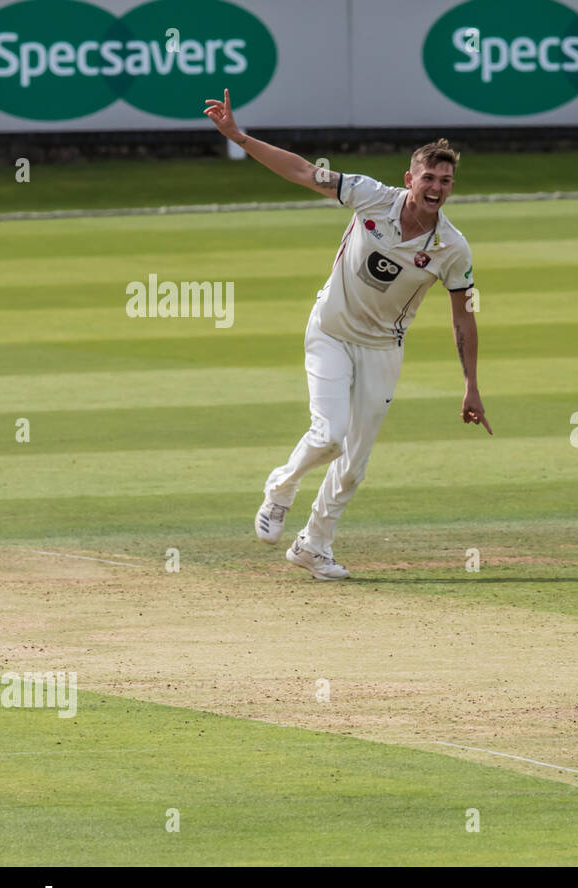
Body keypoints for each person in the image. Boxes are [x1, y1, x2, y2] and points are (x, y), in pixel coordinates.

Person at [203, 89, 491, 580]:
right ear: (410, 180)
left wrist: (471, 385)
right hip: (331, 332)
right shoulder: (369, 194)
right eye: (429, 177)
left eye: (446, 180)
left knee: (355, 464)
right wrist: (239, 137)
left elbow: (463, 315)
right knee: (329, 435)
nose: (437, 187)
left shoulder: (451, 247)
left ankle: (314, 545)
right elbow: (300, 170)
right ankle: (281, 487)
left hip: (382, 349)